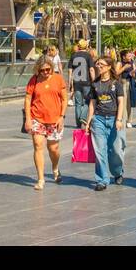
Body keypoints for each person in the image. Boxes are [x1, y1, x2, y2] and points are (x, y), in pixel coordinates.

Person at [25, 56, 67, 190]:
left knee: (53, 149)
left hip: (55, 119)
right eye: (42, 70)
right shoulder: (34, 80)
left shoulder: (58, 79)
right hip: (37, 118)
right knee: (38, 145)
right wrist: (28, 119)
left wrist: (62, 116)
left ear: (51, 67)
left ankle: (55, 168)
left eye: (48, 69)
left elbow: (65, 99)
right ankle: (41, 179)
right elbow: (27, 99)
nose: (45, 72)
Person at [85, 56, 127, 190]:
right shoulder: (95, 84)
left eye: (102, 64)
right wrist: (88, 121)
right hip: (99, 119)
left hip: (114, 119)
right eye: (98, 64)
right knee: (100, 150)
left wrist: (119, 119)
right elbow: (92, 103)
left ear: (109, 67)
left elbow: (121, 102)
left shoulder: (116, 83)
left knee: (116, 150)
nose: (99, 66)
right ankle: (102, 180)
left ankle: (117, 172)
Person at [68, 39, 96, 128]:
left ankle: (78, 123)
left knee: (78, 103)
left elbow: (70, 71)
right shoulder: (88, 56)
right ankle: (83, 116)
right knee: (88, 101)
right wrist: (94, 81)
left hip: (76, 83)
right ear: (86, 46)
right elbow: (91, 69)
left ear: (78, 46)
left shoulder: (73, 56)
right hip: (86, 82)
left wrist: (70, 83)